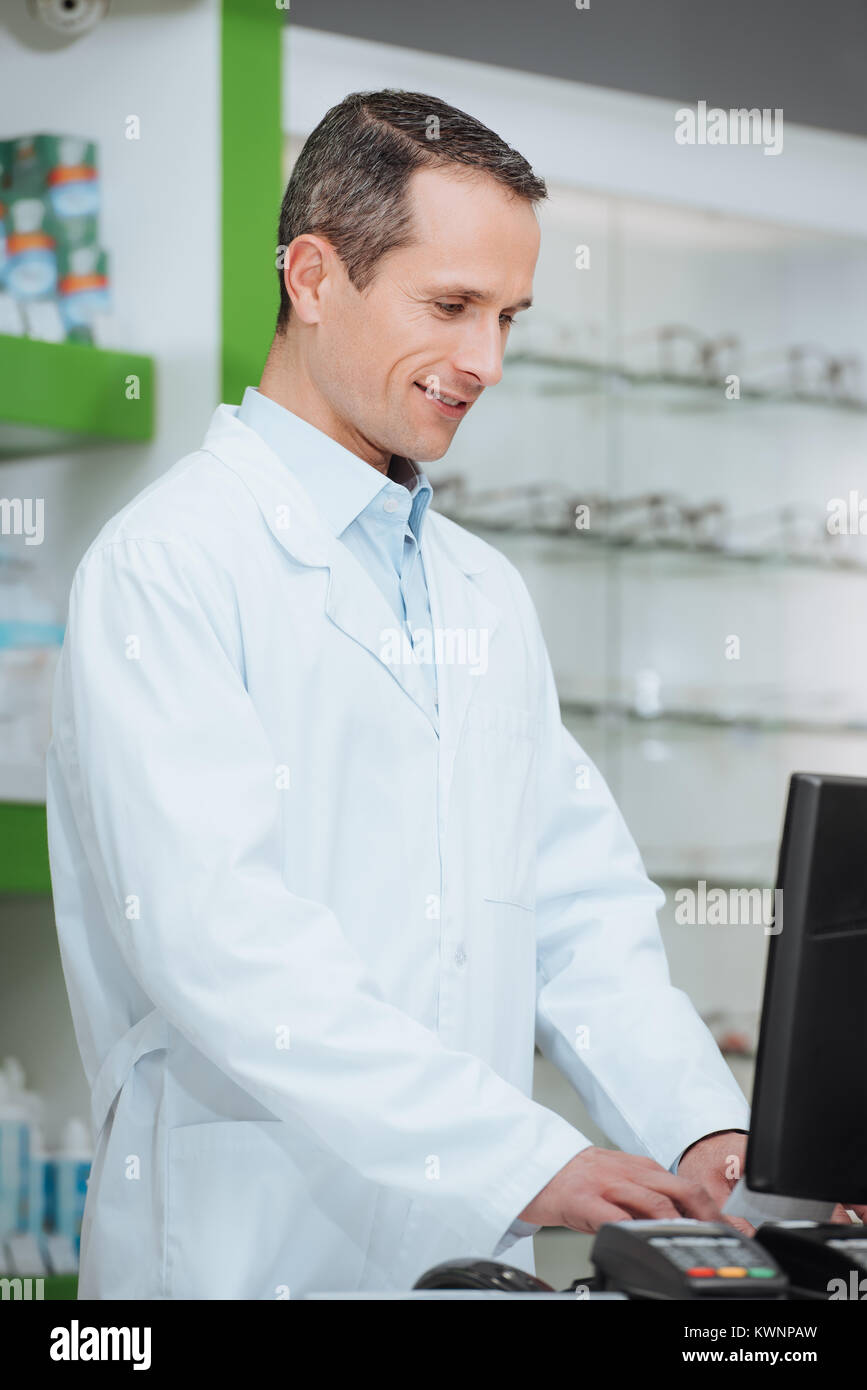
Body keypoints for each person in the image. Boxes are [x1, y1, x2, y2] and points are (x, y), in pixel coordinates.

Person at [47, 89, 756, 1300]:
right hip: (246, 1252)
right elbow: (229, 950)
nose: (485, 361)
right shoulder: (169, 564)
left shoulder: (482, 590)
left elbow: (577, 908)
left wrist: (703, 1132)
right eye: (451, 307)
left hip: (466, 1259)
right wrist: (527, 1156)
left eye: (509, 317)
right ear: (314, 277)